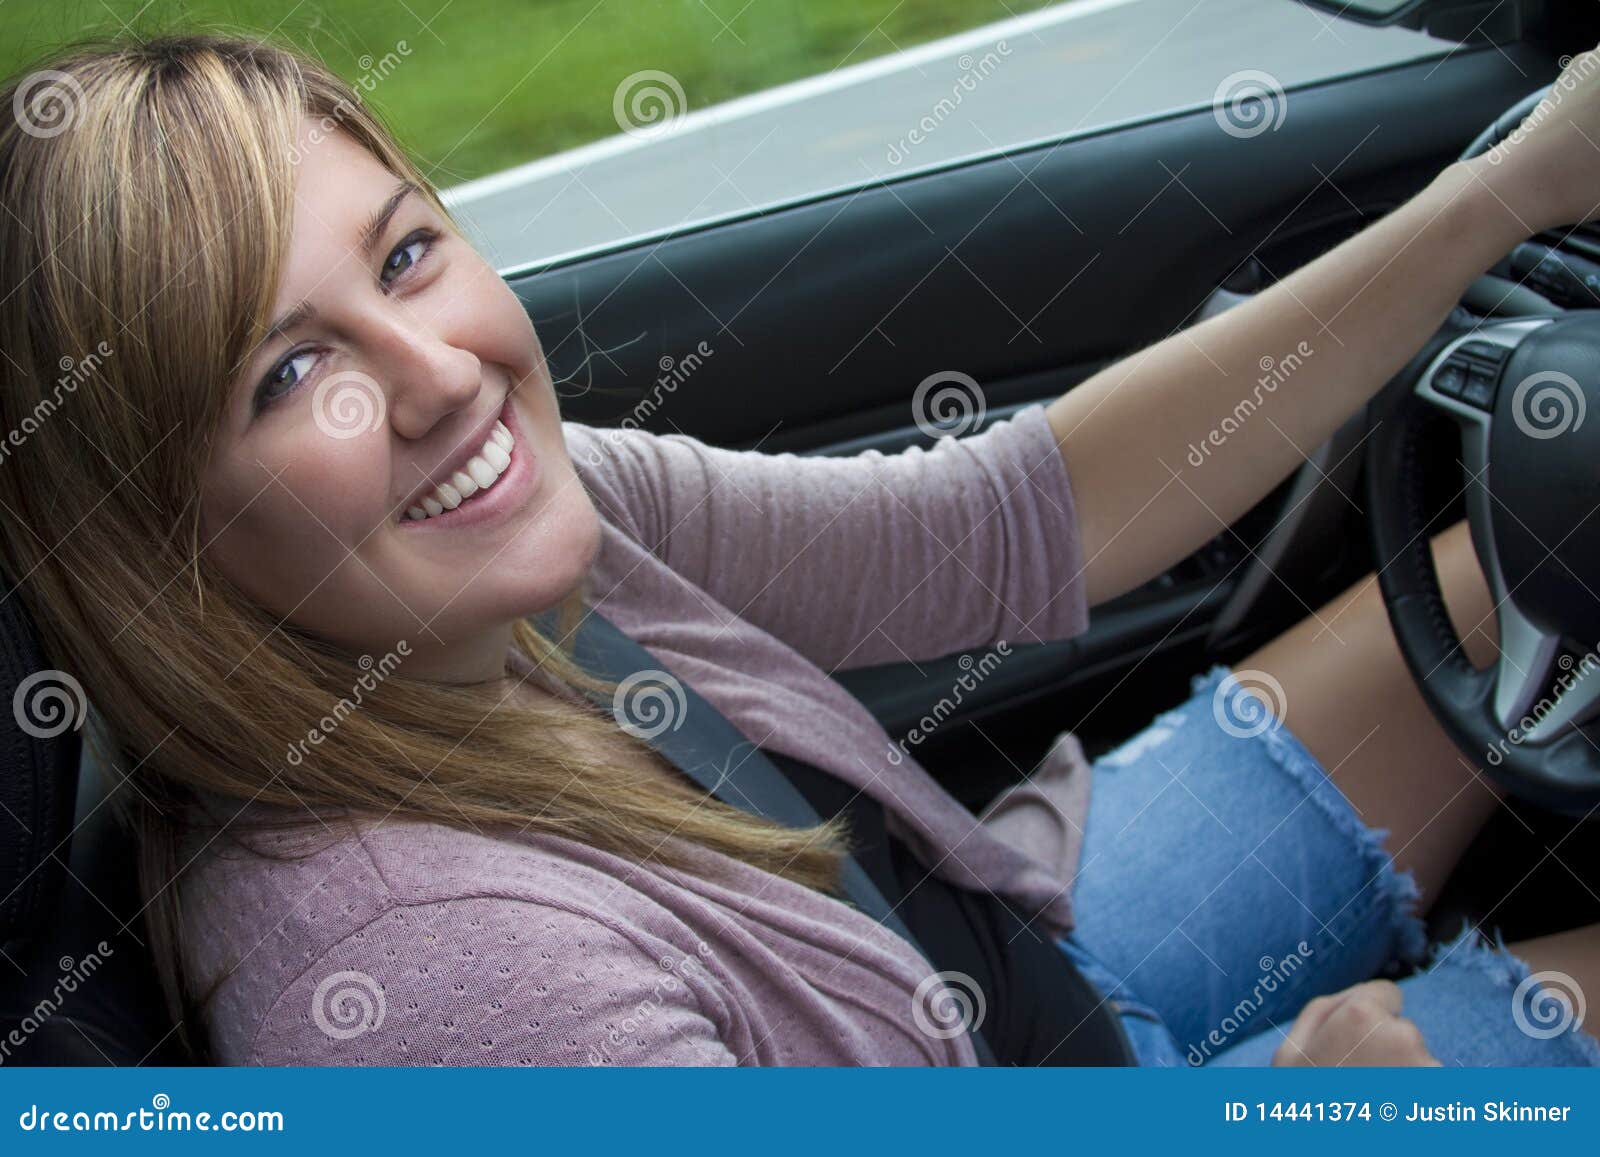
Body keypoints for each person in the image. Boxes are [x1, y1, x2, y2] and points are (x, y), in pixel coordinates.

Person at [0, 29, 1595, 1067]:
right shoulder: (455, 993)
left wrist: (1505, 191)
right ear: (158, 539)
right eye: (290, 374)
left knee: (1509, 566)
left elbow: (1011, 517)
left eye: (409, 254)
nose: (434, 376)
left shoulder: (524, 535)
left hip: (1020, 963)